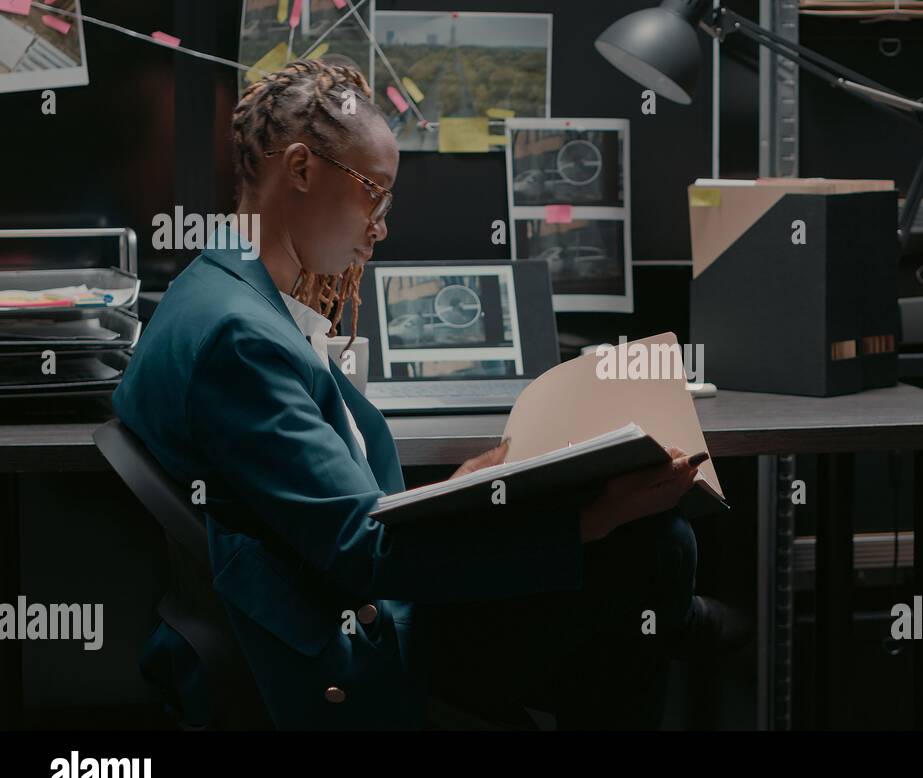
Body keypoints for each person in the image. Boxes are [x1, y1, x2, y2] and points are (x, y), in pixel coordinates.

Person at [113, 59, 746, 730]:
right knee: (646, 551)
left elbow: (324, 510)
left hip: (339, 602)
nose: (381, 224)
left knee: (632, 571)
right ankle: (674, 621)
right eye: (373, 192)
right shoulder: (239, 338)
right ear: (299, 170)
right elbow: (362, 550)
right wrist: (586, 523)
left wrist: (461, 489)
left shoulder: (219, 292)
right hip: (354, 640)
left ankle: (667, 621)